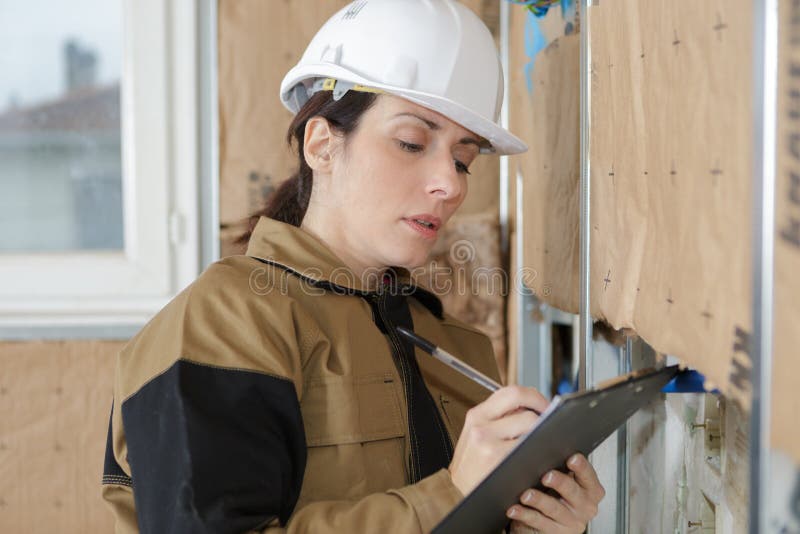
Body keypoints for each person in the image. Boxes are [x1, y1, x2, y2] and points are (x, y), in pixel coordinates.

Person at [101, 1, 605, 532]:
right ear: (321, 144)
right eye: (412, 142)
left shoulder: (456, 345)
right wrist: (451, 493)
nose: (452, 184)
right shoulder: (222, 324)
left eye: (463, 158)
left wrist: (535, 524)